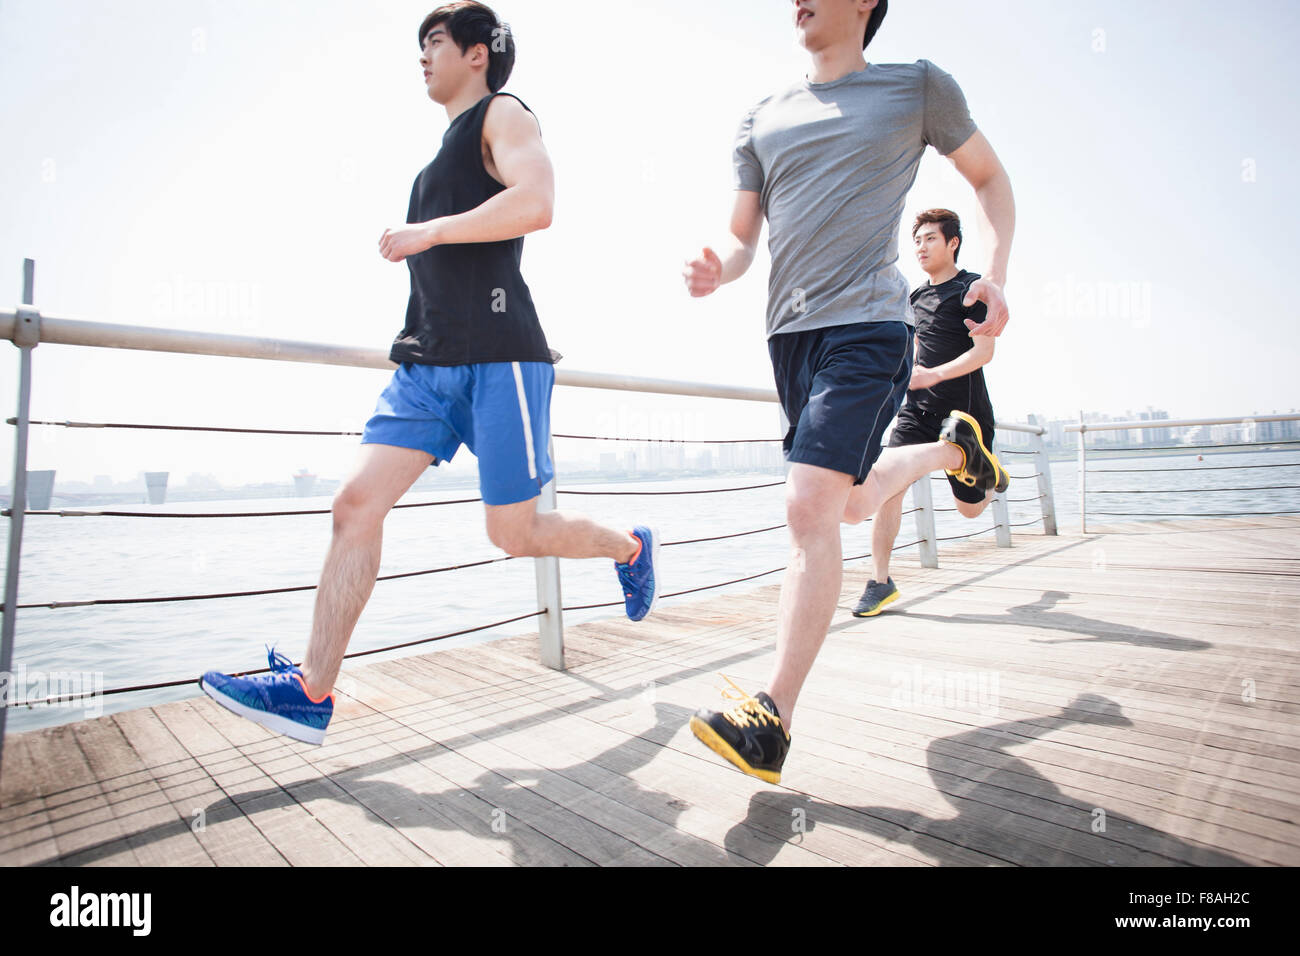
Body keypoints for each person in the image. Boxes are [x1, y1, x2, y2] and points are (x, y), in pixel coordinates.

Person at [199, 2, 660, 745]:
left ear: (478, 53)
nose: (422, 55)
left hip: (498, 356)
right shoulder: (439, 151)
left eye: (435, 41)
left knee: (512, 534)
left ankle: (630, 546)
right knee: (355, 506)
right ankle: (313, 690)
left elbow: (538, 203)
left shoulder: (504, 115)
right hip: (425, 363)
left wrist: (428, 232)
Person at [681, 0, 1014, 783]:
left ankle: (773, 718)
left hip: (866, 329)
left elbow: (992, 179)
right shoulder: (761, 115)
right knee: (851, 505)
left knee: (806, 508)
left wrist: (994, 276)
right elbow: (741, 238)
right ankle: (950, 451)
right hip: (787, 340)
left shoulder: (916, 88)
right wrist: (717, 267)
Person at [854, 208, 1004, 618]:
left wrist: (934, 374)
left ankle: (988, 473)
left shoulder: (973, 291)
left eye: (930, 239)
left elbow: (984, 352)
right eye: (917, 240)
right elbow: (913, 353)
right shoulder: (915, 297)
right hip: (917, 410)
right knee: (886, 484)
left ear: (952, 242)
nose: (920, 247)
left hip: (964, 415)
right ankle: (880, 581)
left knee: (970, 509)